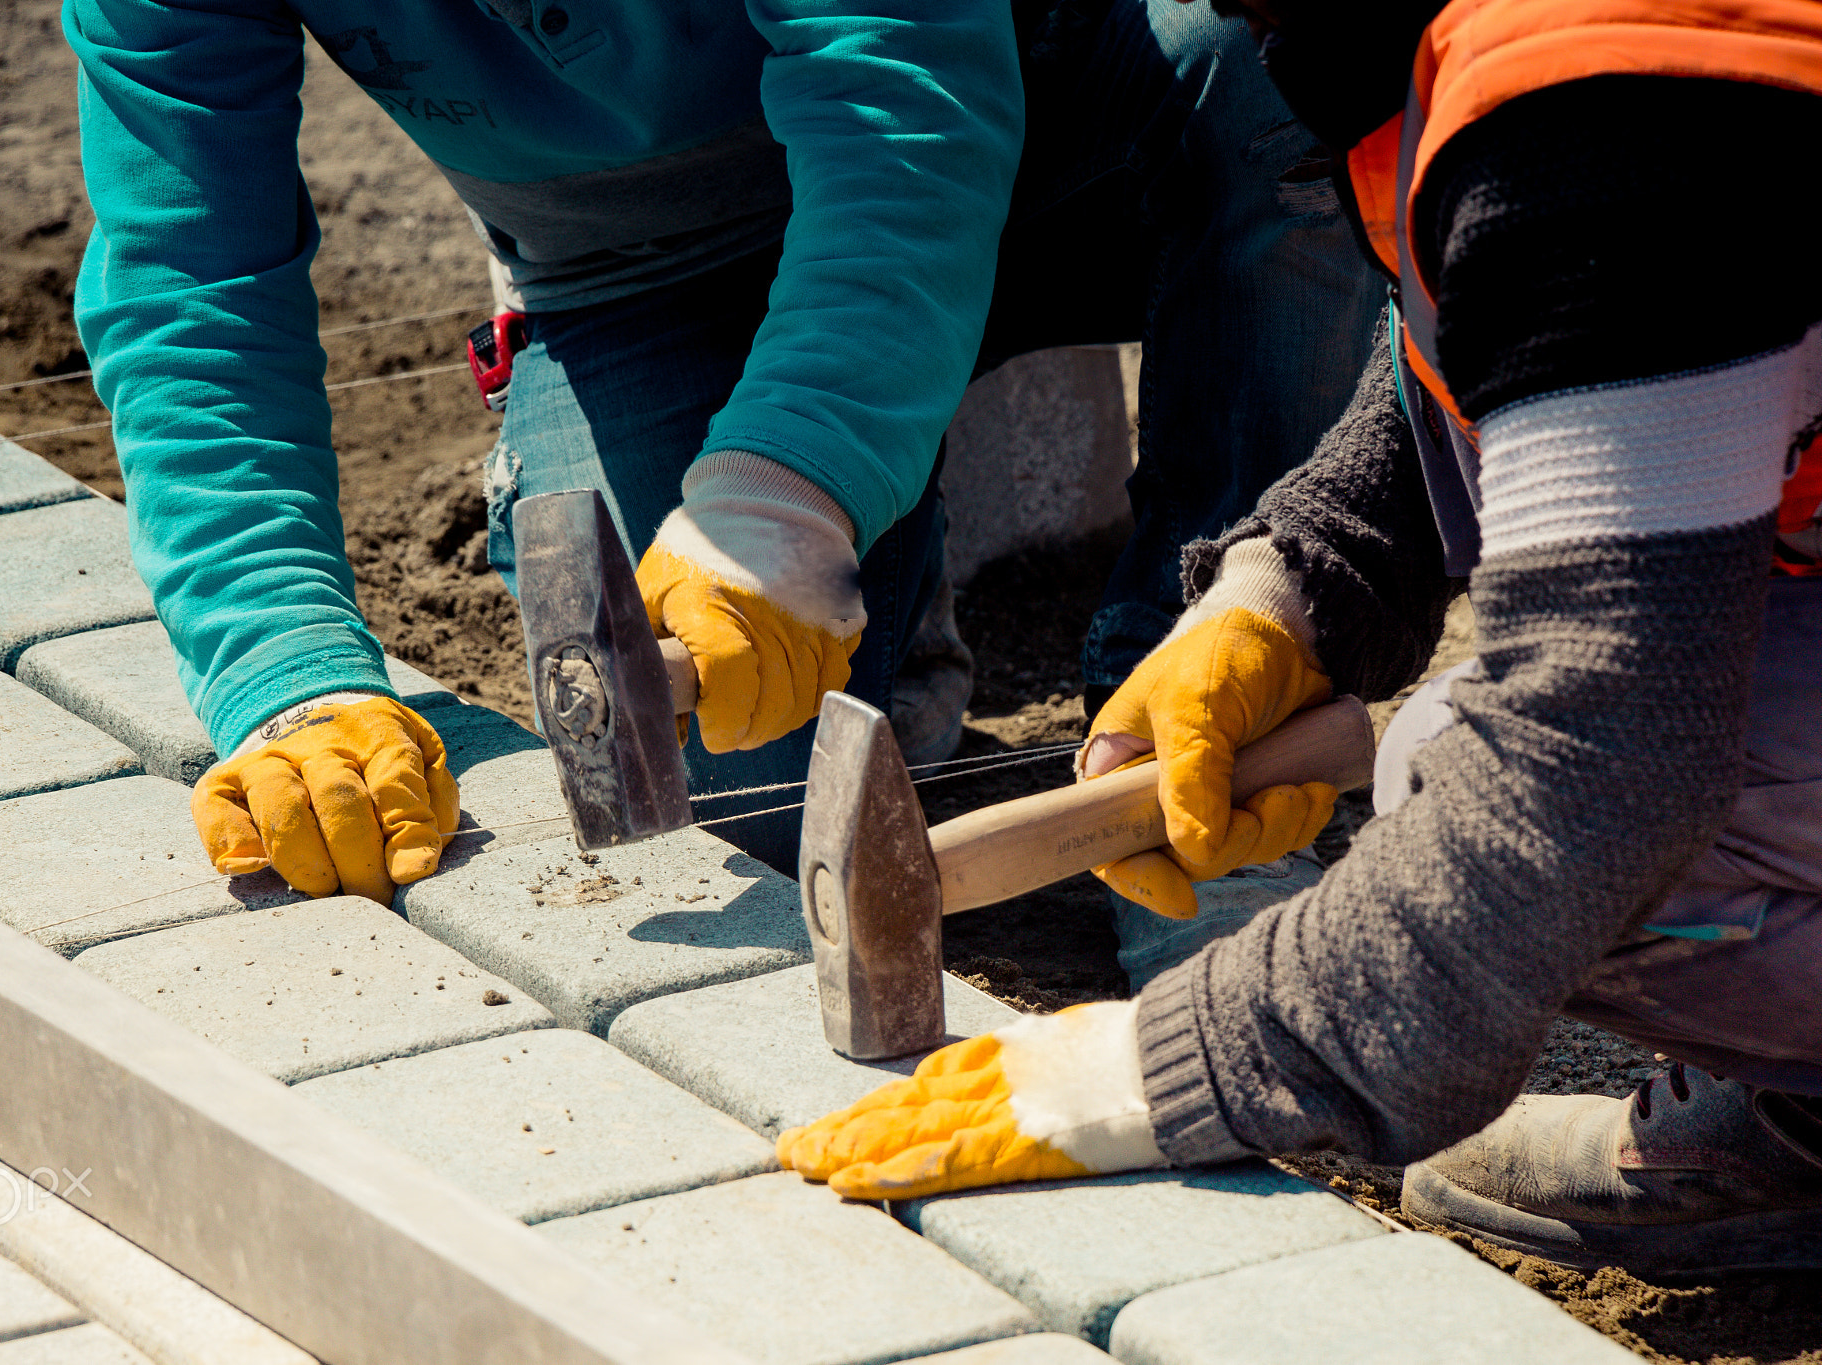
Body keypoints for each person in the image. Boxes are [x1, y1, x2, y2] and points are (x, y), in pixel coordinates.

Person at [781, 0, 1822, 1273]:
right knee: (1457, 760)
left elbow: (1601, 760)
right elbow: (1512, 326)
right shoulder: (1452, 43)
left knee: (1493, 790)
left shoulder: (1594, 89)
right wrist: (1292, 588)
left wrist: (1196, 1054)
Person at [64, 0, 1380, 897]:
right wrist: (285, 666)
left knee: (1287, 64)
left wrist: (779, 504)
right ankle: (883, 601)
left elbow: (897, 100)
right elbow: (190, 271)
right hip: (642, 272)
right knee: (743, 808)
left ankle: (1199, 731)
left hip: (1046, 109)